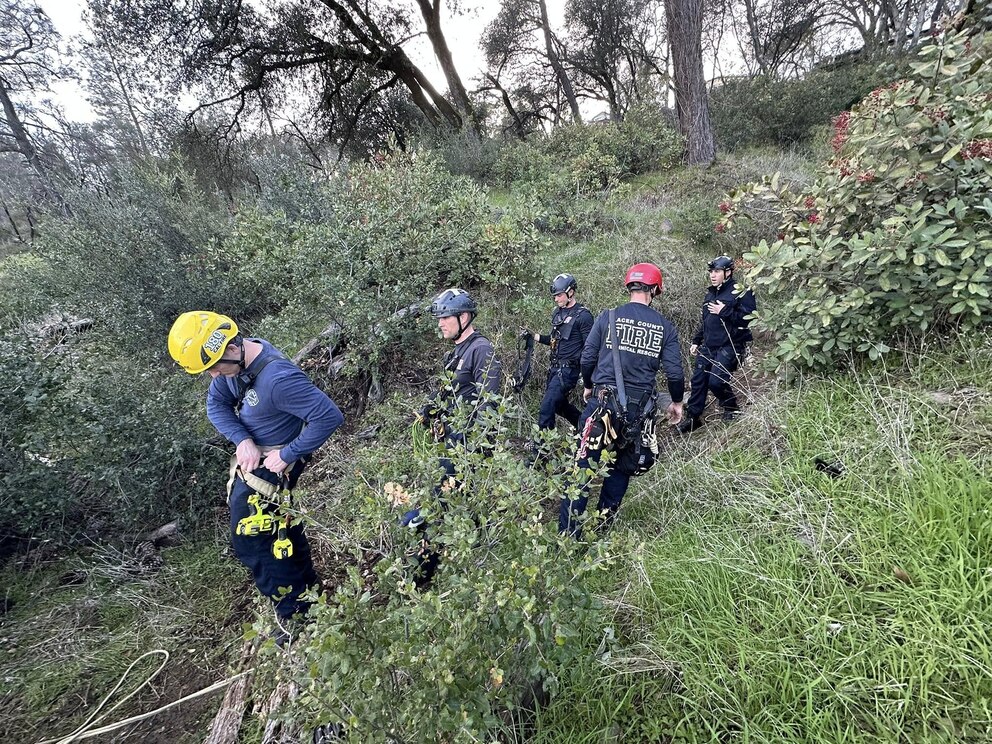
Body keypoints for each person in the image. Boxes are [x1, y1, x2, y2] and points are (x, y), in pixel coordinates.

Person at [168, 311, 343, 640]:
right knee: (281, 530)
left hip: (271, 468)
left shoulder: (278, 379)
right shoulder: (241, 362)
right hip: (257, 458)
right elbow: (217, 405)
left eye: (215, 368)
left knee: (255, 542)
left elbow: (328, 416)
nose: (213, 376)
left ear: (232, 349)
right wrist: (242, 439)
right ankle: (307, 592)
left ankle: (296, 617)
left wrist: (288, 454)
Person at [560, 263, 684, 538]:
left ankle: (567, 541)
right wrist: (676, 402)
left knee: (581, 469)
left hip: (601, 405)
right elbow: (675, 372)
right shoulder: (665, 327)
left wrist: (589, 386)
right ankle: (601, 532)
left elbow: (587, 358)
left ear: (630, 287)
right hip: (637, 414)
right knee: (621, 469)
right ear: (653, 290)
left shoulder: (608, 317)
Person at [405, 288, 502, 586]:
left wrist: (476, 446)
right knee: (454, 501)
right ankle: (465, 553)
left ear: (464, 317)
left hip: (468, 445)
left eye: (445, 318)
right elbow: (452, 389)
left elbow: (490, 401)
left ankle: (423, 574)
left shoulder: (481, 349)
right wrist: (430, 409)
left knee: (439, 504)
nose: (440, 324)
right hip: (453, 441)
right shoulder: (457, 351)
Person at [677, 256, 756, 434]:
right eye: (711, 271)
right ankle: (693, 418)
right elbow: (705, 321)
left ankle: (731, 409)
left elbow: (749, 319)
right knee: (698, 381)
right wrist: (697, 340)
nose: (713, 275)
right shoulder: (710, 293)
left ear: (728, 272)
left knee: (716, 381)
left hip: (731, 344)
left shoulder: (742, 291)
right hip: (709, 346)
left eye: (717, 271)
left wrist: (725, 311)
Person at [524, 273, 594, 433]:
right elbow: (553, 340)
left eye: (559, 295)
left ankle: (540, 452)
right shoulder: (558, 313)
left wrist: (588, 377)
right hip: (554, 369)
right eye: (554, 296)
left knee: (546, 408)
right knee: (559, 406)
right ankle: (586, 429)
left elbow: (590, 348)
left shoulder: (583, 316)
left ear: (571, 292)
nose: (556, 299)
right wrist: (533, 336)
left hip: (569, 371)